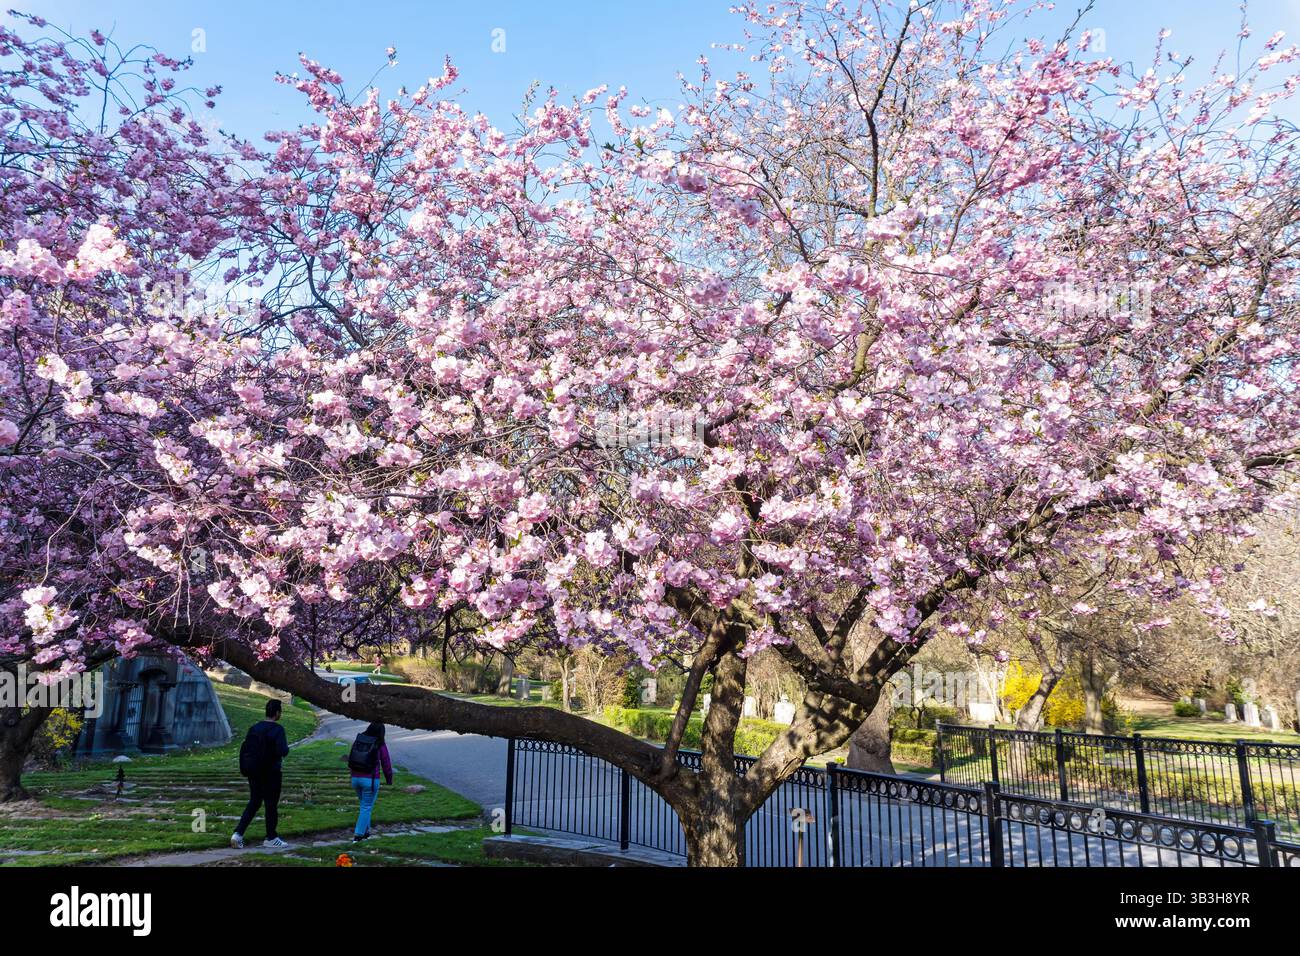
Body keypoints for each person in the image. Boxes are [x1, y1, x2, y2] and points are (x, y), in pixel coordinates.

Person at [231, 698, 291, 849]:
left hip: (254, 771)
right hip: (271, 772)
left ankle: (238, 834)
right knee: (271, 805)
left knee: (254, 802)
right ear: (277, 713)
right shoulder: (278, 730)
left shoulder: (255, 728)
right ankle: (271, 837)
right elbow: (282, 751)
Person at [348, 721, 393, 842]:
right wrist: (389, 779)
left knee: (365, 806)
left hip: (355, 779)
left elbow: (351, 758)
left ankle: (366, 833)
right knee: (366, 807)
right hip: (370, 780)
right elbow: (386, 763)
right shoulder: (379, 744)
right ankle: (358, 835)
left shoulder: (359, 740)